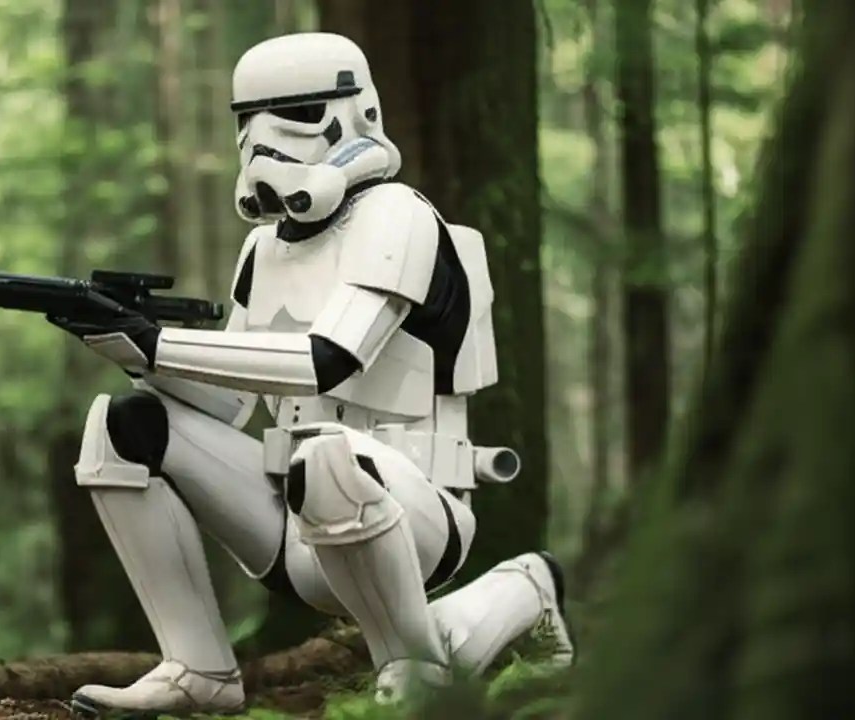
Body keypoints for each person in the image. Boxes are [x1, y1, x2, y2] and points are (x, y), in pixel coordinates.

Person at [48, 32, 575, 719]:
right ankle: (199, 671)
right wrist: (121, 342)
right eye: (249, 123)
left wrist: (160, 346)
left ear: (358, 114)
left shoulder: (398, 216)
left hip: (415, 514)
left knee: (331, 459)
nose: (264, 144)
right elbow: (231, 404)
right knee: (122, 425)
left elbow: (330, 358)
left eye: (295, 113)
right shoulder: (262, 248)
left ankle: (420, 665)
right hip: (291, 525)